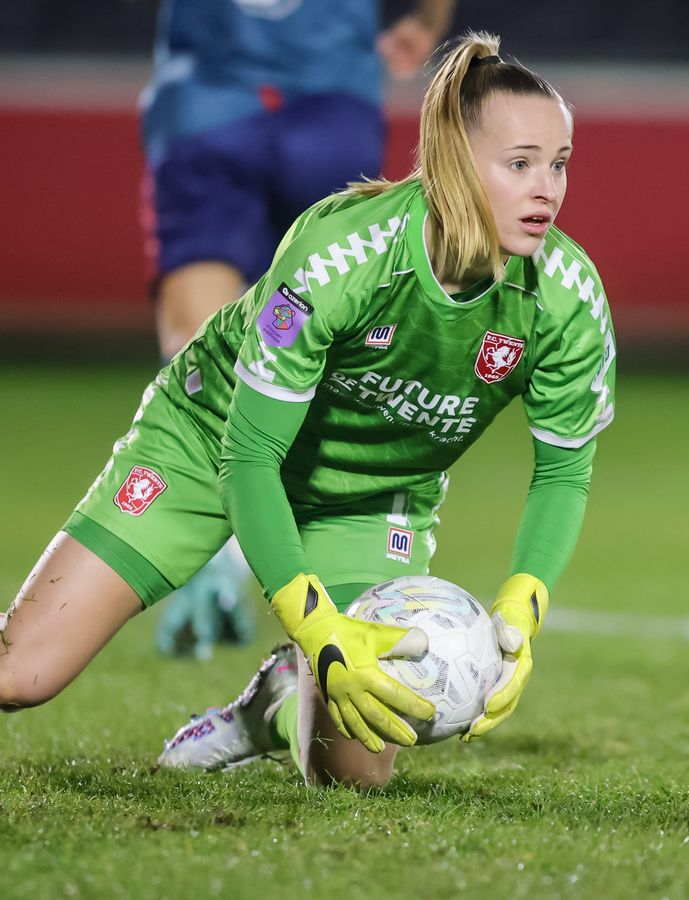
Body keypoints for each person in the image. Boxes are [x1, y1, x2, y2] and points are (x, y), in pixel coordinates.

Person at [0, 31, 616, 790]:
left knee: (355, 773)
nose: (546, 189)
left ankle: (269, 704)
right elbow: (249, 460)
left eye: (560, 164)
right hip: (208, 439)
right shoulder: (344, 255)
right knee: (22, 677)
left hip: (371, 497)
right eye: (520, 163)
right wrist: (311, 617)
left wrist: (523, 601)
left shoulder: (566, 299)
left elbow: (565, 469)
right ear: (450, 162)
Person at [141, 0, 458, 660]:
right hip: (333, 98)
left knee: (197, 343)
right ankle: (339, 565)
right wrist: (426, 21)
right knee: (331, 334)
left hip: (206, 94)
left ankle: (206, 555)